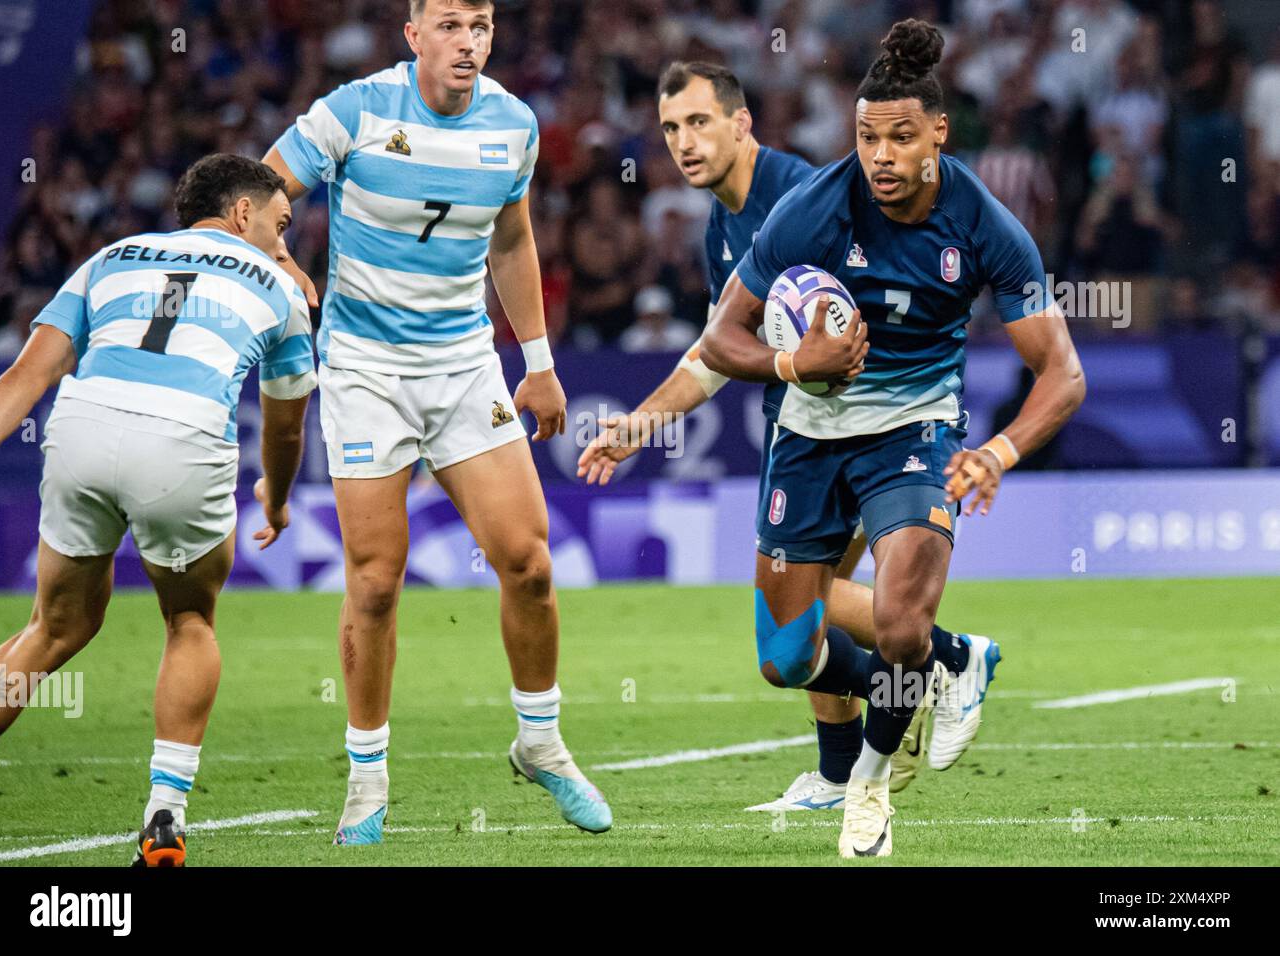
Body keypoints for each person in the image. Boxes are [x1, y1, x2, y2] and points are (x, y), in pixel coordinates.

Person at [701, 20, 1085, 857]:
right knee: (785, 656)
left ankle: (869, 786)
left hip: (913, 430)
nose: (881, 155)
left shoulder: (983, 225)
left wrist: (997, 451)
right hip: (808, 432)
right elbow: (719, 342)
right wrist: (791, 361)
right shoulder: (810, 211)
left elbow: (1063, 374)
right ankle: (957, 661)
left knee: (900, 621)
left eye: (901, 137)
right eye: (868, 136)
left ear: (938, 135)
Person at [578, 61, 992, 811]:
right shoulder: (722, 224)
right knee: (797, 629)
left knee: (813, 603)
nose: (684, 143)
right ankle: (894, 711)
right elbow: (712, 352)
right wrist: (640, 424)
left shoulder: (804, 196)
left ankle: (937, 670)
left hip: (871, 437)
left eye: (700, 122)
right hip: (801, 434)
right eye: (671, 129)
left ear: (742, 123)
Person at [263, 0, 611, 844]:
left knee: (528, 562)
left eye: (482, 25)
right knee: (377, 582)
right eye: (451, 24)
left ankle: (540, 742)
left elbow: (513, 241)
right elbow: (260, 191)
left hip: (463, 367)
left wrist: (540, 364)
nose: (469, 42)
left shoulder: (514, 126)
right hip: (366, 371)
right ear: (413, 34)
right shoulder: (355, 111)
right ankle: (367, 779)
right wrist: (281, 259)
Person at [0, 154, 317, 866]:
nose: (285, 244)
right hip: (186, 439)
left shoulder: (110, 259)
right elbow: (286, 426)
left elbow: (26, 373)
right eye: (280, 224)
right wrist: (277, 498)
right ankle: (165, 814)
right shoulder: (283, 293)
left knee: (53, 627)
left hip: (84, 425)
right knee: (189, 619)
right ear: (241, 213)